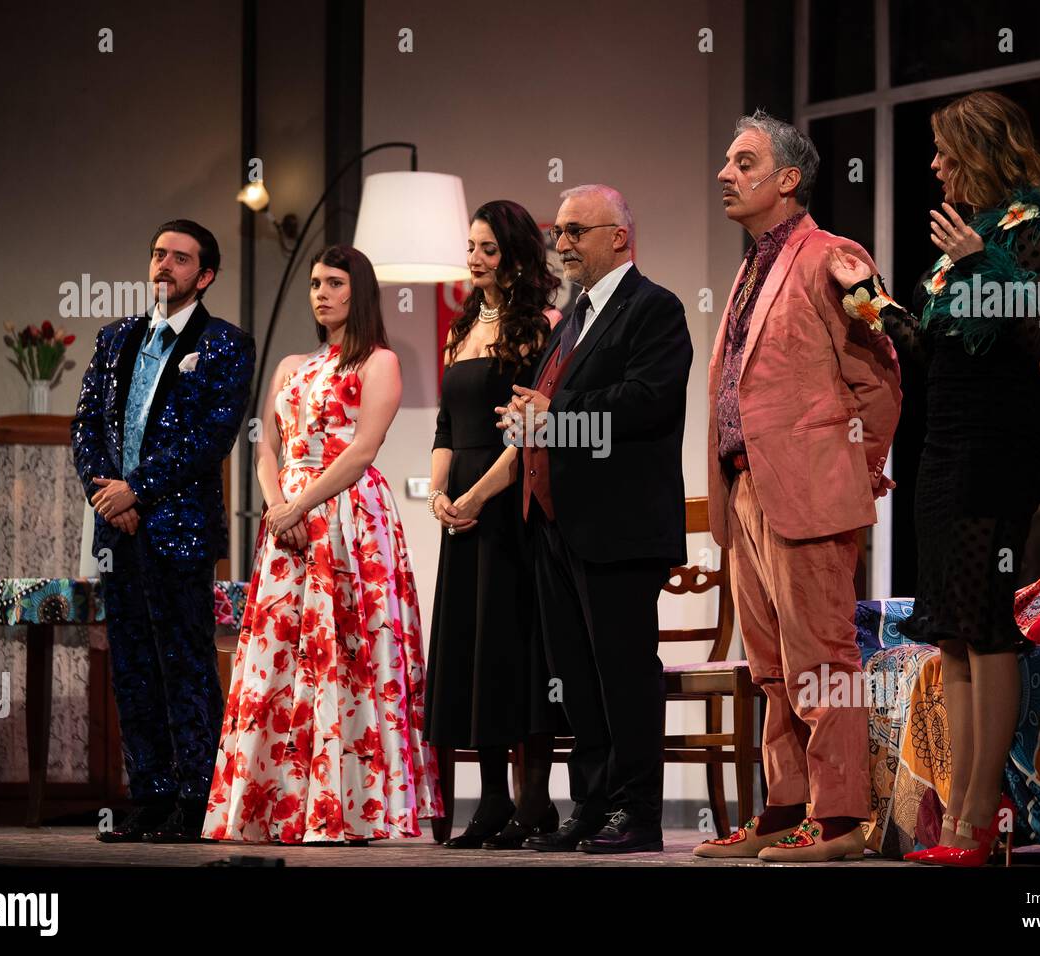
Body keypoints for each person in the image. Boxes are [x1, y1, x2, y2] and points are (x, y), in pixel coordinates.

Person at [827, 90, 1040, 866]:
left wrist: (985, 262)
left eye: (946, 150)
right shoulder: (963, 240)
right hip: (942, 443)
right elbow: (934, 343)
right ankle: (964, 820)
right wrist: (867, 301)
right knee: (952, 628)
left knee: (983, 624)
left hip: (1001, 441)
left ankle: (982, 822)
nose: (935, 165)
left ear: (981, 148)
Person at [693, 113, 902, 863]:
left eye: (743, 161)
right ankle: (786, 807)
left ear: (788, 180)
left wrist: (854, 468)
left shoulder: (831, 255)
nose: (725, 173)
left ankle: (842, 819)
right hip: (746, 488)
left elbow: (878, 377)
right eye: (726, 160)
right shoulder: (755, 264)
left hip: (807, 488)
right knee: (771, 664)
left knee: (822, 659)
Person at [202, 245, 441, 844]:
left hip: (349, 517)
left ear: (358, 292)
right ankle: (275, 806)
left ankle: (352, 808)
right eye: (314, 283)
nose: (321, 293)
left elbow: (363, 450)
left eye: (335, 283)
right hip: (286, 521)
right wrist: (275, 503)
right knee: (282, 658)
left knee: (352, 655)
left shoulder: (379, 360)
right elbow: (262, 445)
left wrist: (302, 504)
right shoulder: (287, 366)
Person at [498, 184, 692, 854]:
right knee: (576, 679)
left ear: (619, 236)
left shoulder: (654, 309)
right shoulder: (570, 319)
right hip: (557, 522)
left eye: (578, 230)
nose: (564, 243)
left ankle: (635, 812)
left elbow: (648, 401)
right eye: (560, 231)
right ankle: (591, 804)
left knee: (623, 673)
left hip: (619, 523)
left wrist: (558, 413)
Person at [71, 219, 256, 843]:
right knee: (132, 669)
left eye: (179, 259)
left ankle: (195, 801)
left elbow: (212, 437)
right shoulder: (116, 337)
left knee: (184, 665)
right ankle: (148, 800)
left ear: (203, 276)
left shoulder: (227, 344)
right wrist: (108, 493)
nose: (163, 266)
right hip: (117, 530)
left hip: (177, 529)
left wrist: (139, 490)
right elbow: (87, 425)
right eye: (157, 254)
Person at [426, 200, 568, 849]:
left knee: (514, 651)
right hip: (461, 512)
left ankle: (532, 804)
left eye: (487, 249)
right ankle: (486, 804)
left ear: (513, 256)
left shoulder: (540, 326)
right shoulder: (459, 330)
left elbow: (531, 436)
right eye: (471, 247)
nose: (475, 259)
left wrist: (479, 495)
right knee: (472, 652)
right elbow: (446, 427)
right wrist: (437, 491)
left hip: (509, 507)